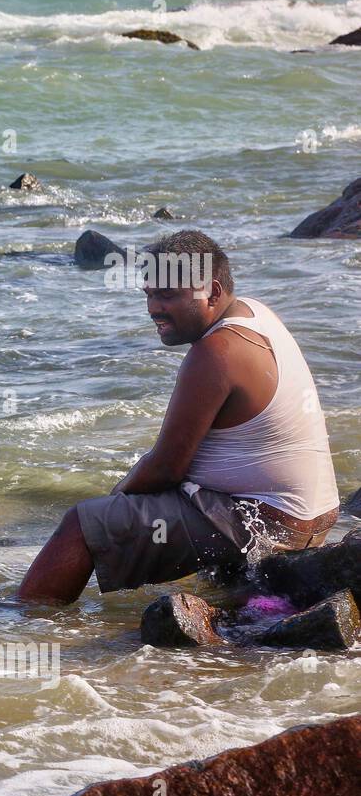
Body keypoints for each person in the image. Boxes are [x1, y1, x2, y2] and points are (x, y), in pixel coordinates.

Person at [18, 230, 339, 604]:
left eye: (168, 295)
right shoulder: (254, 312)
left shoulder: (216, 352)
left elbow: (165, 469)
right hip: (310, 516)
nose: (154, 308)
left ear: (213, 293)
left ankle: (24, 623)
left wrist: (114, 501)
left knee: (82, 525)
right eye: (149, 294)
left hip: (268, 523)